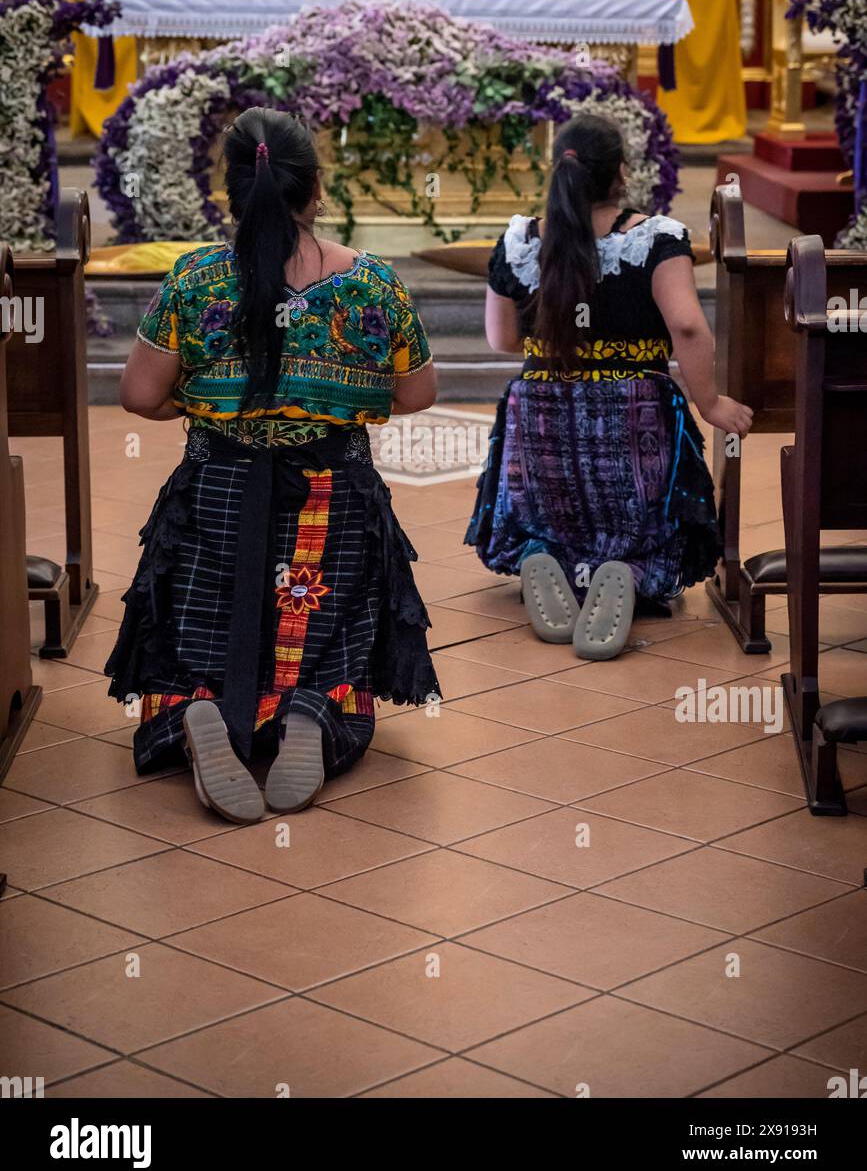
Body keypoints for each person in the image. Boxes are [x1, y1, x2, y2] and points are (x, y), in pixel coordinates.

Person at [106, 107, 439, 823]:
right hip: (330, 497)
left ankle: (200, 709)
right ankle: (311, 712)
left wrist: (196, 410)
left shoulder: (195, 281)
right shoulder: (372, 286)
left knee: (199, 624)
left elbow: (137, 395)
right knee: (326, 625)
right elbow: (418, 392)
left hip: (218, 488)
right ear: (314, 188)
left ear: (228, 189)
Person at [466, 111, 752, 659]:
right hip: (631, 410)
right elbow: (688, 325)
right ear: (620, 171)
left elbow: (501, 339)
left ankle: (540, 557)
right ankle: (627, 568)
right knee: (644, 517)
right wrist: (709, 402)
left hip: (541, 411)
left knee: (542, 515)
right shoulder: (658, 238)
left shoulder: (520, 239)